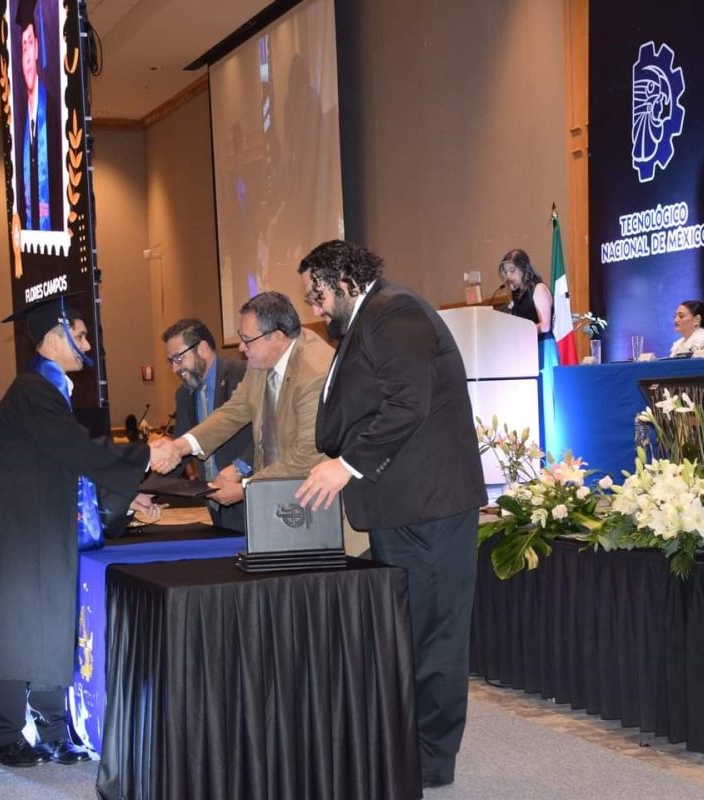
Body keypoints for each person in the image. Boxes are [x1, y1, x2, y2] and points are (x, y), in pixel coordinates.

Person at [294, 240, 487, 790]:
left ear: (343, 281)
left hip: (429, 508)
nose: (315, 308)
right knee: (410, 634)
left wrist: (346, 466)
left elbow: (409, 403)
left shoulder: (394, 311)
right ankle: (408, 750)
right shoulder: (369, 318)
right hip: (401, 506)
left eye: (317, 295)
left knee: (435, 638)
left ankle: (430, 762)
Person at [0, 295, 157, 768]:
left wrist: (124, 496)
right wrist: (143, 455)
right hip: (14, 535)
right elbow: (74, 448)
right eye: (80, 336)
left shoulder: (47, 388)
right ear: (56, 337)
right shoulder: (32, 390)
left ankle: (53, 731)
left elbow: (63, 462)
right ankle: (4, 738)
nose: (87, 346)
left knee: (49, 623)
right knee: (12, 631)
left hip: (37, 527)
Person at [150, 292, 333, 498]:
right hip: (273, 493)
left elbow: (306, 455)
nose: (241, 347)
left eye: (247, 340)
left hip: (312, 496)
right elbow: (233, 412)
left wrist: (246, 489)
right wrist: (179, 447)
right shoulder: (260, 363)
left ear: (277, 337)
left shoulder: (314, 373)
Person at [161, 318, 254, 533]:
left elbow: (266, 434)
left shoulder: (245, 376)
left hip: (252, 499)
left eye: (178, 358)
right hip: (216, 507)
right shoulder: (183, 394)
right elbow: (181, 451)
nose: (174, 368)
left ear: (202, 348)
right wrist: (145, 491)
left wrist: (240, 468)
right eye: (170, 361)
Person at [499, 248, 559, 451]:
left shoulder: (538, 289)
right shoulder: (518, 295)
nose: (508, 277)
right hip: (526, 352)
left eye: (512, 271)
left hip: (543, 349)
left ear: (524, 269)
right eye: (506, 272)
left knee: (543, 401)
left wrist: (520, 330)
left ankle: (549, 450)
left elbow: (545, 325)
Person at [15, 0, 62, 231]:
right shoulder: (20, 124)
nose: (26, 55)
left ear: (37, 50)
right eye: (23, 46)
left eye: (30, 43)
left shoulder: (54, 112)